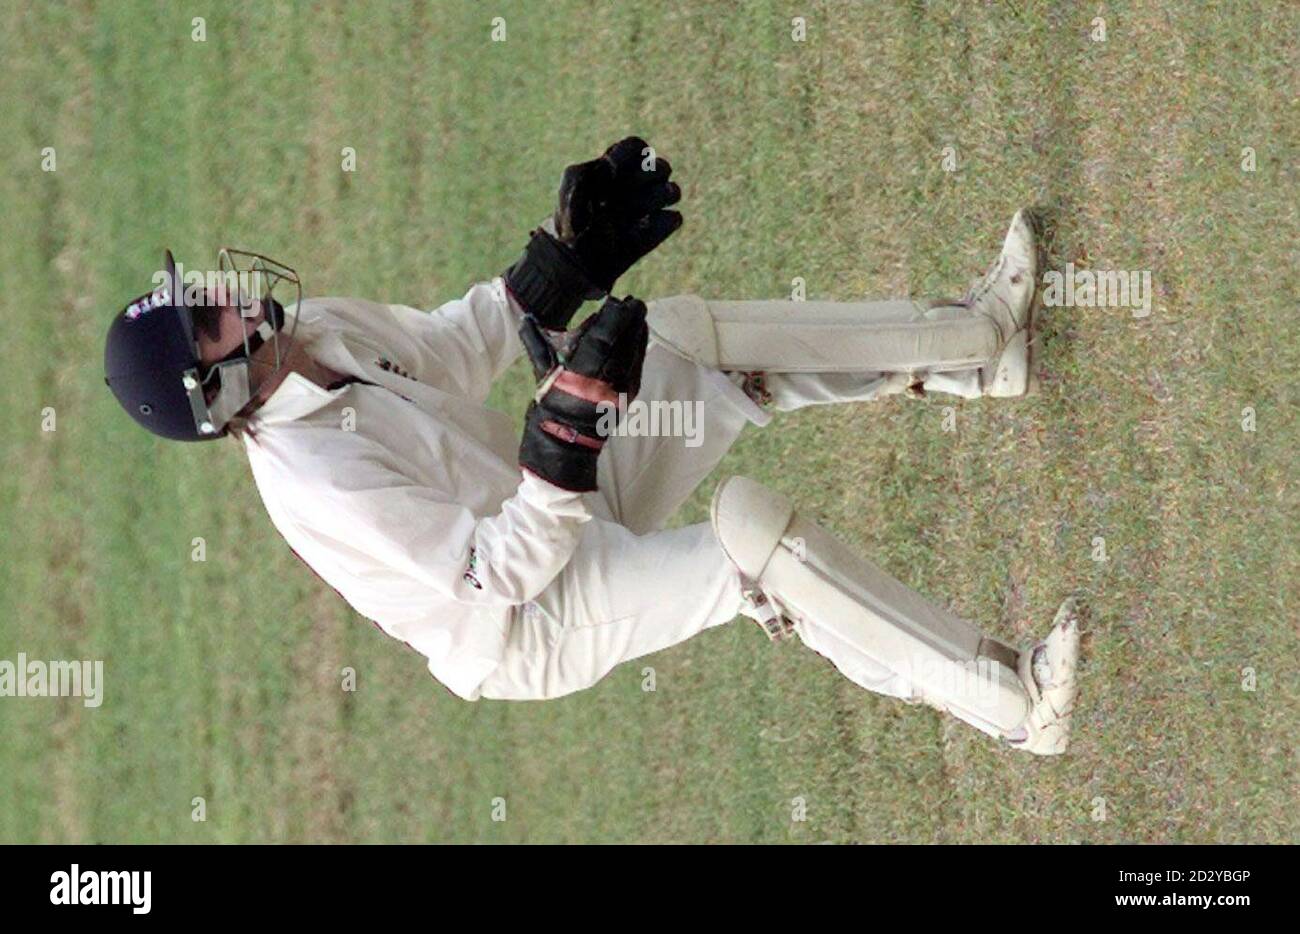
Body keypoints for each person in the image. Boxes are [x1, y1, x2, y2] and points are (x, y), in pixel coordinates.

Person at [104, 137, 1079, 755]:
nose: (225, 296)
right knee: (752, 547)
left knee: (692, 341)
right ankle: (1017, 700)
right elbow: (496, 575)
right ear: (218, 388)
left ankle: (975, 346)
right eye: (207, 320)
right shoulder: (318, 484)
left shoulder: (309, 334)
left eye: (202, 290)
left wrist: (557, 266)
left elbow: (449, 347)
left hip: (546, 500)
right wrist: (565, 441)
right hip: (537, 618)